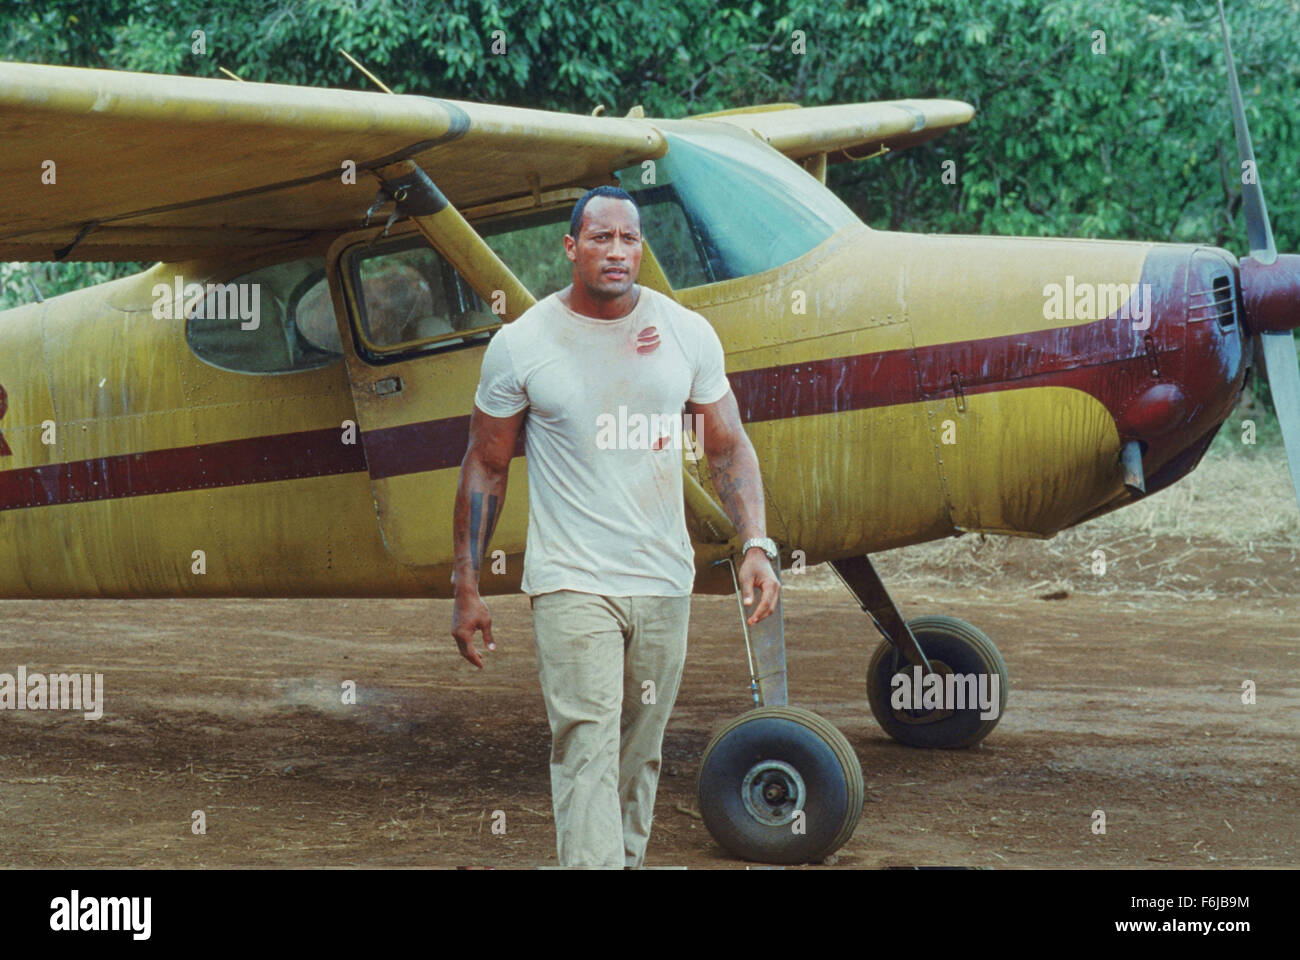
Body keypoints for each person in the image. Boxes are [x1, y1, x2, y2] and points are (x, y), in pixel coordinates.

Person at [450, 184, 781, 868]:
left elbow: (726, 445)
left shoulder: (685, 333)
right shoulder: (523, 344)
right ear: (571, 247)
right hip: (572, 580)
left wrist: (755, 544)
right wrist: (467, 584)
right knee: (586, 740)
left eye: (630, 238)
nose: (617, 251)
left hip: (663, 576)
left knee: (641, 747)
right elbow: (485, 466)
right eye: (600, 237)